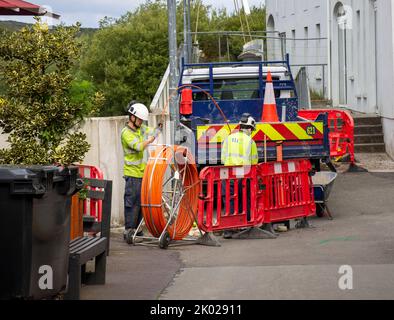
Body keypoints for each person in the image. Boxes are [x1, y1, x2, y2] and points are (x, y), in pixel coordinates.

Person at [121, 102, 161, 241]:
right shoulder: (126, 133)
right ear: (132, 117)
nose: (141, 122)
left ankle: (137, 230)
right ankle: (129, 231)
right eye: (140, 120)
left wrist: (158, 129)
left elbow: (152, 131)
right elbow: (138, 147)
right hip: (132, 174)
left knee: (141, 202)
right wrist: (150, 140)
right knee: (131, 203)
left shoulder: (140, 128)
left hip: (142, 173)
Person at [221, 113, 259, 239]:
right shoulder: (250, 141)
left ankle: (228, 229)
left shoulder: (229, 138)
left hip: (227, 175)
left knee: (229, 200)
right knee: (245, 199)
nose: (251, 132)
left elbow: (223, 158)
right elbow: (254, 163)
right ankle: (245, 224)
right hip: (243, 176)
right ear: (249, 128)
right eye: (252, 130)